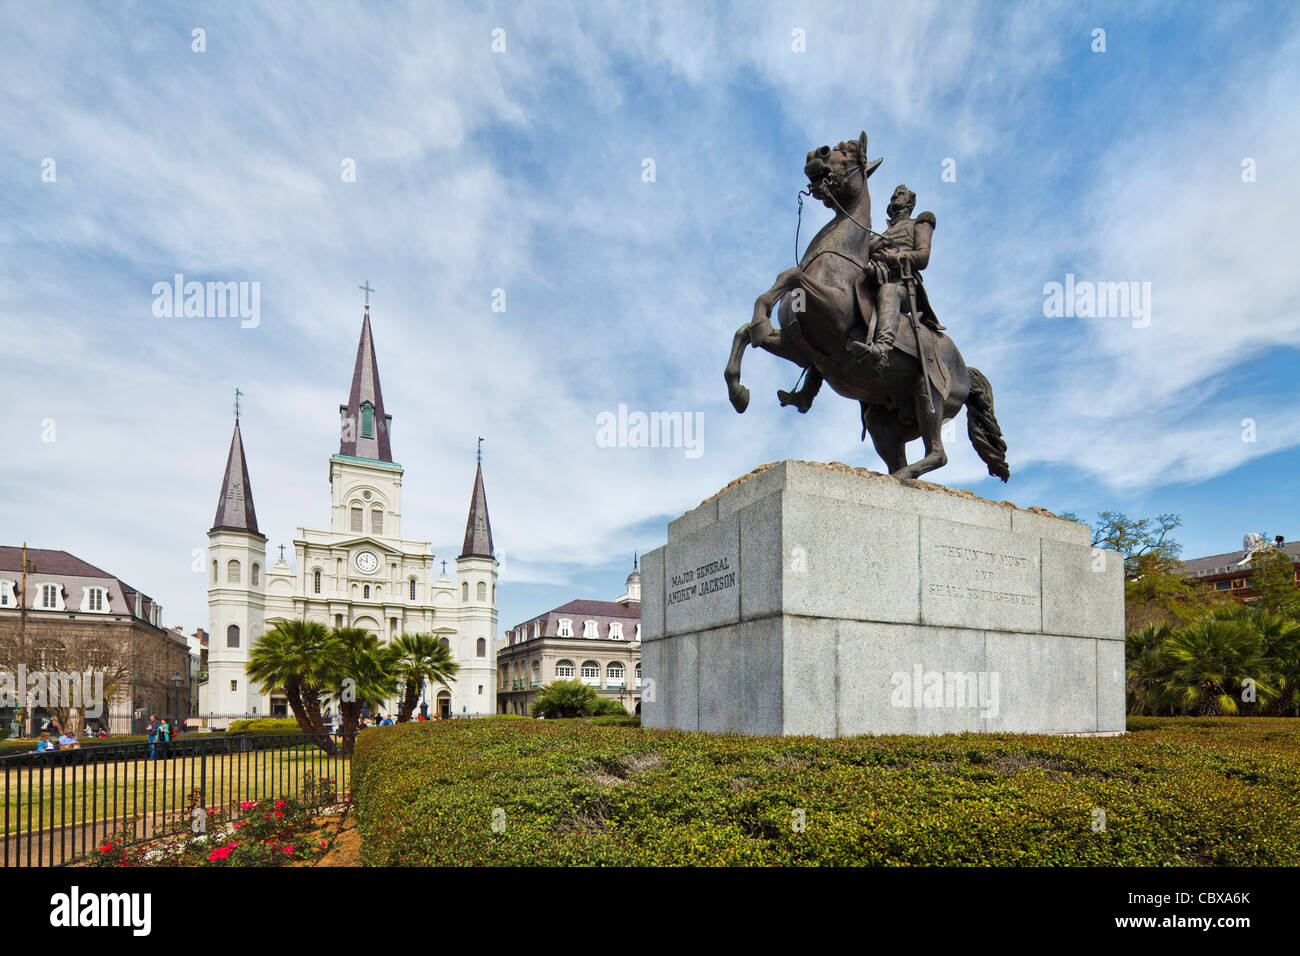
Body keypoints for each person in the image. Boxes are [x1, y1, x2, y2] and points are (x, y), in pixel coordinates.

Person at [848, 184, 943, 368]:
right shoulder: (881, 233)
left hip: (903, 286)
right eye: (893, 195)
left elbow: (923, 257)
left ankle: (882, 349)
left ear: (910, 201)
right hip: (875, 278)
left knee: (888, 291)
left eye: (900, 195)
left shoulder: (920, 222)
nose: (895, 197)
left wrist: (894, 258)